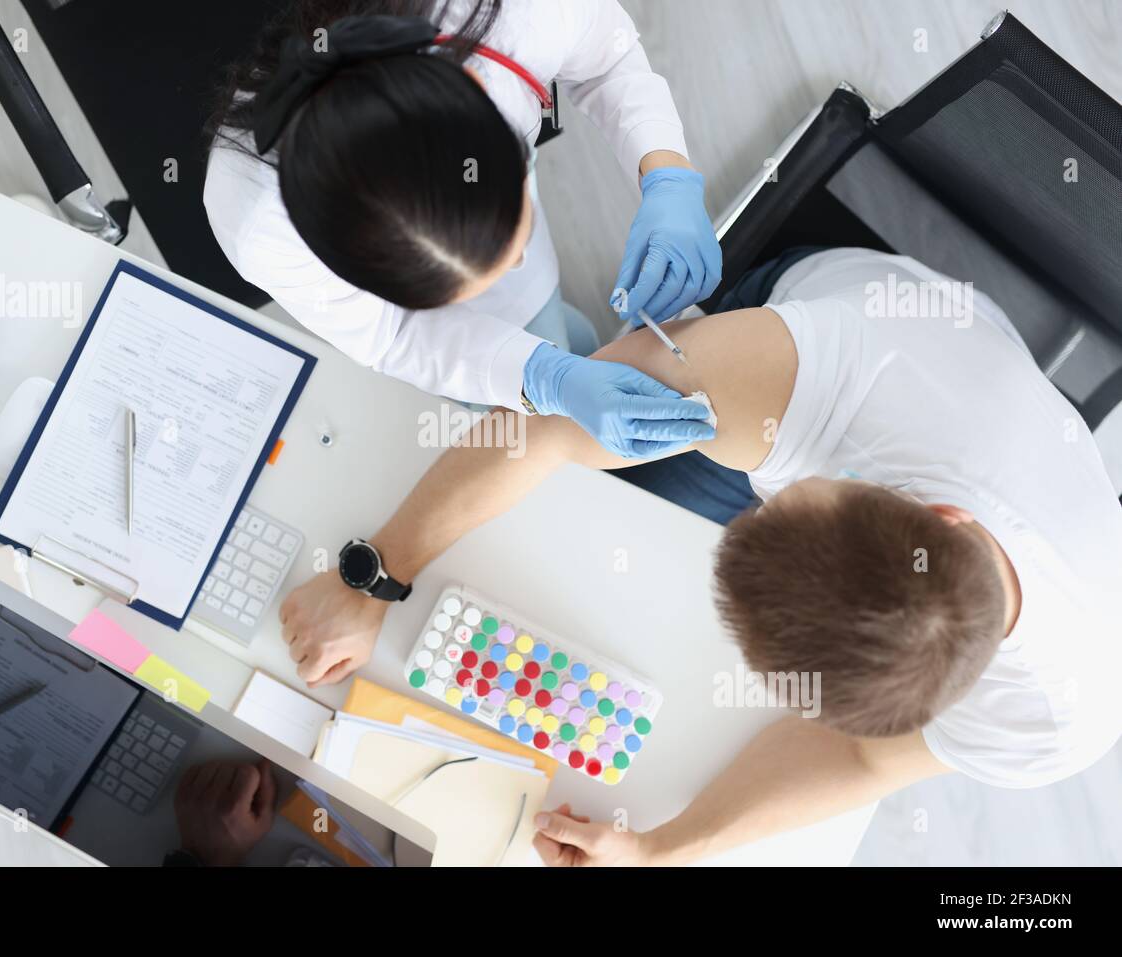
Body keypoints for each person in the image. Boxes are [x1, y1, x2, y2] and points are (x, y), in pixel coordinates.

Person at [278, 246, 1122, 864]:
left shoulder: (1052, 727)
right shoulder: (811, 380)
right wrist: (378, 570)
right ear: (937, 515)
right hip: (836, 313)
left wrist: (663, 848)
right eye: (795, 499)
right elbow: (550, 423)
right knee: (609, 488)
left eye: (784, 501)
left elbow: (864, 757)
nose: (773, 495)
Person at [205, 0, 719, 459]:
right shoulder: (261, 228)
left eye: (510, 235)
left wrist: (667, 175)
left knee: (552, 323)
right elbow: (394, 336)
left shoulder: (521, 18)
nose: (517, 263)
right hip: (440, 337)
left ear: (476, 91)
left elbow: (605, 57)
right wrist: (546, 377)